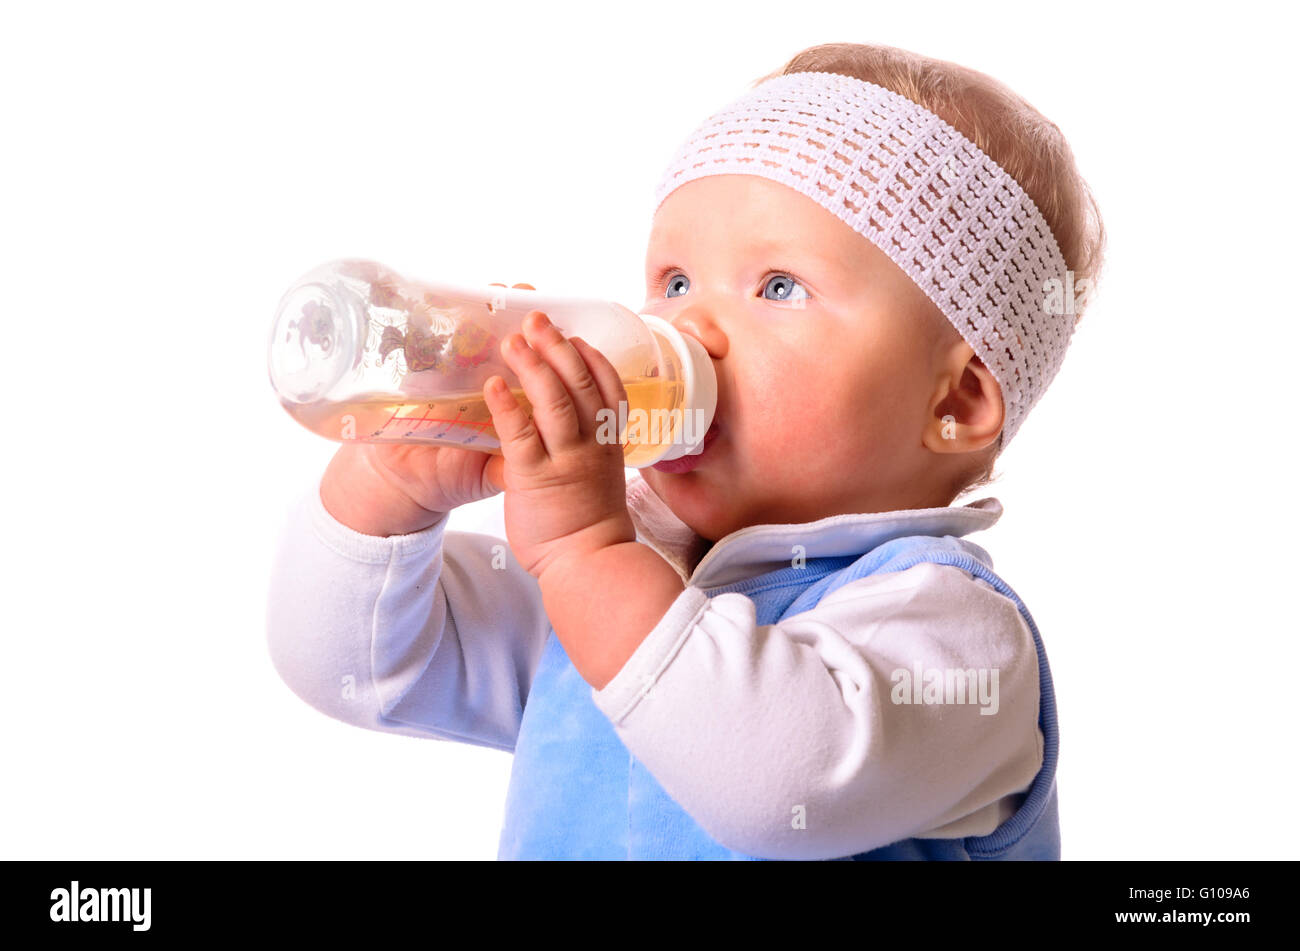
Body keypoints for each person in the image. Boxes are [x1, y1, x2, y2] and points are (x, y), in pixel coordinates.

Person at [265, 42, 1106, 860]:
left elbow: (781, 784)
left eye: (779, 286)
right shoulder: (614, 573)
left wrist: (583, 554)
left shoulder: (955, 637)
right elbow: (352, 663)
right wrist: (388, 487)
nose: (684, 328)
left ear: (953, 402)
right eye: (672, 281)